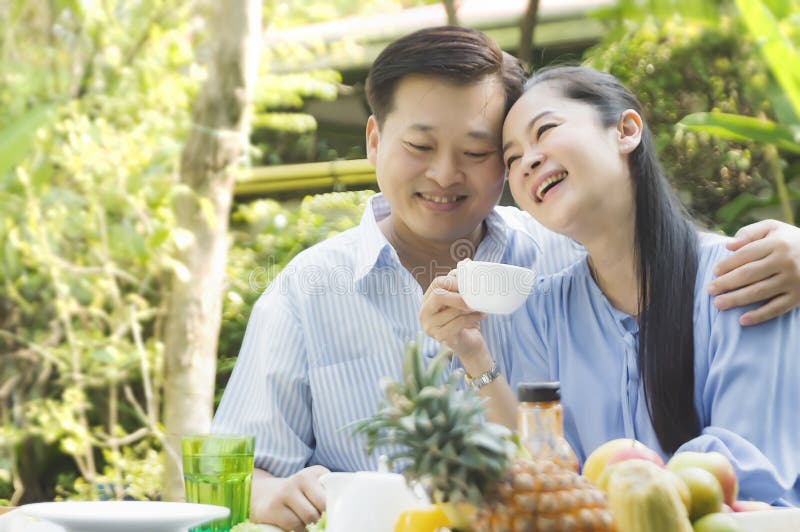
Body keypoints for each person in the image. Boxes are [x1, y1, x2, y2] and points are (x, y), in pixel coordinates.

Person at [213, 28, 800, 530]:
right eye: (420, 144)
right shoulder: (308, 289)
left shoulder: (557, 253)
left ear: (625, 129)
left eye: (479, 151)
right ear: (373, 140)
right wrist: (267, 493)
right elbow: (233, 472)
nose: (445, 174)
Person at [420, 65, 799, 506]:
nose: (529, 161)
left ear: (625, 130)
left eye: (545, 130)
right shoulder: (543, 311)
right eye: (512, 158)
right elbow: (534, 474)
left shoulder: (746, 272)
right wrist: (471, 351)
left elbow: (748, 471)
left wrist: (590, 491)